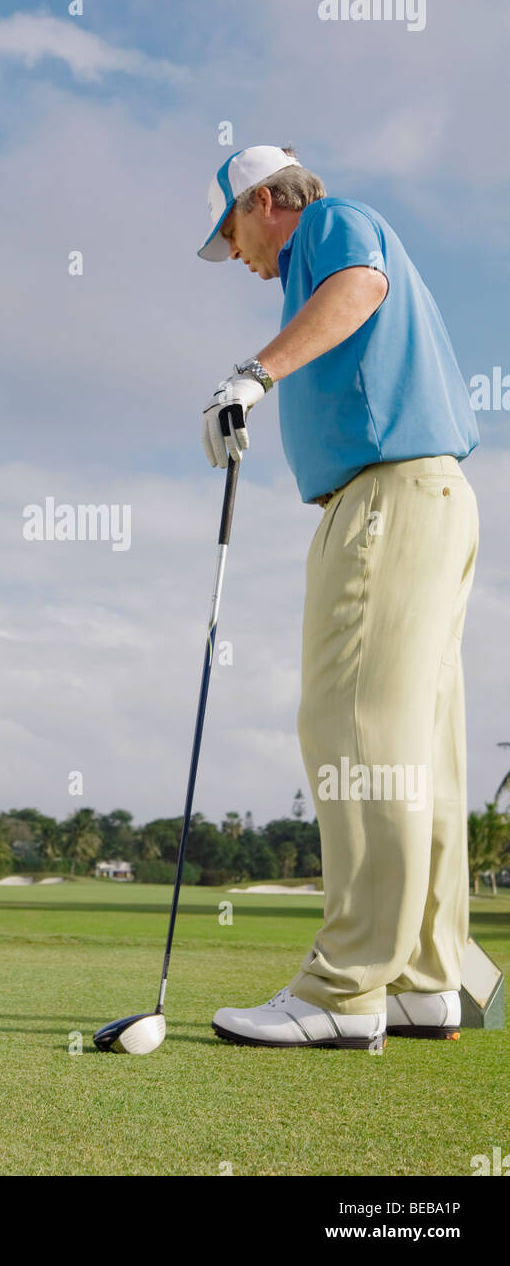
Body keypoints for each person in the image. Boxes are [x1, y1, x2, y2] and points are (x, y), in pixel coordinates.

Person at [197, 146, 479, 1050]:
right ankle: (425, 980)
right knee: (415, 745)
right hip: (425, 499)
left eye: (232, 230)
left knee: (348, 727)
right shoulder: (322, 250)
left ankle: (345, 986)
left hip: (387, 503)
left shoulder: (329, 223)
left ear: (265, 199)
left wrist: (253, 373)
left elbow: (360, 288)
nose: (235, 253)